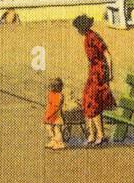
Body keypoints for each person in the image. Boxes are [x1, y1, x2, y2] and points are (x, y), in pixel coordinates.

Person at [73, 14, 115, 145]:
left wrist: (110, 73)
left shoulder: (93, 37)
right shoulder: (87, 37)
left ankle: (100, 135)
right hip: (93, 72)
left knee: (93, 102)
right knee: (87, 100)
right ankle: (92, 134)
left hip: (100, 73)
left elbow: (107, 55)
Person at [43, 77, 65, 150]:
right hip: (50, 115)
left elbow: (56, 107)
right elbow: (49, 104)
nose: (50, 88)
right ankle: (53, 141)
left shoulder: (59, 95)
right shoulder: (51, 94)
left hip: (57, 116)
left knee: (57, 129)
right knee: (49, 128)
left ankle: (60, 143)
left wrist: (49, 114)